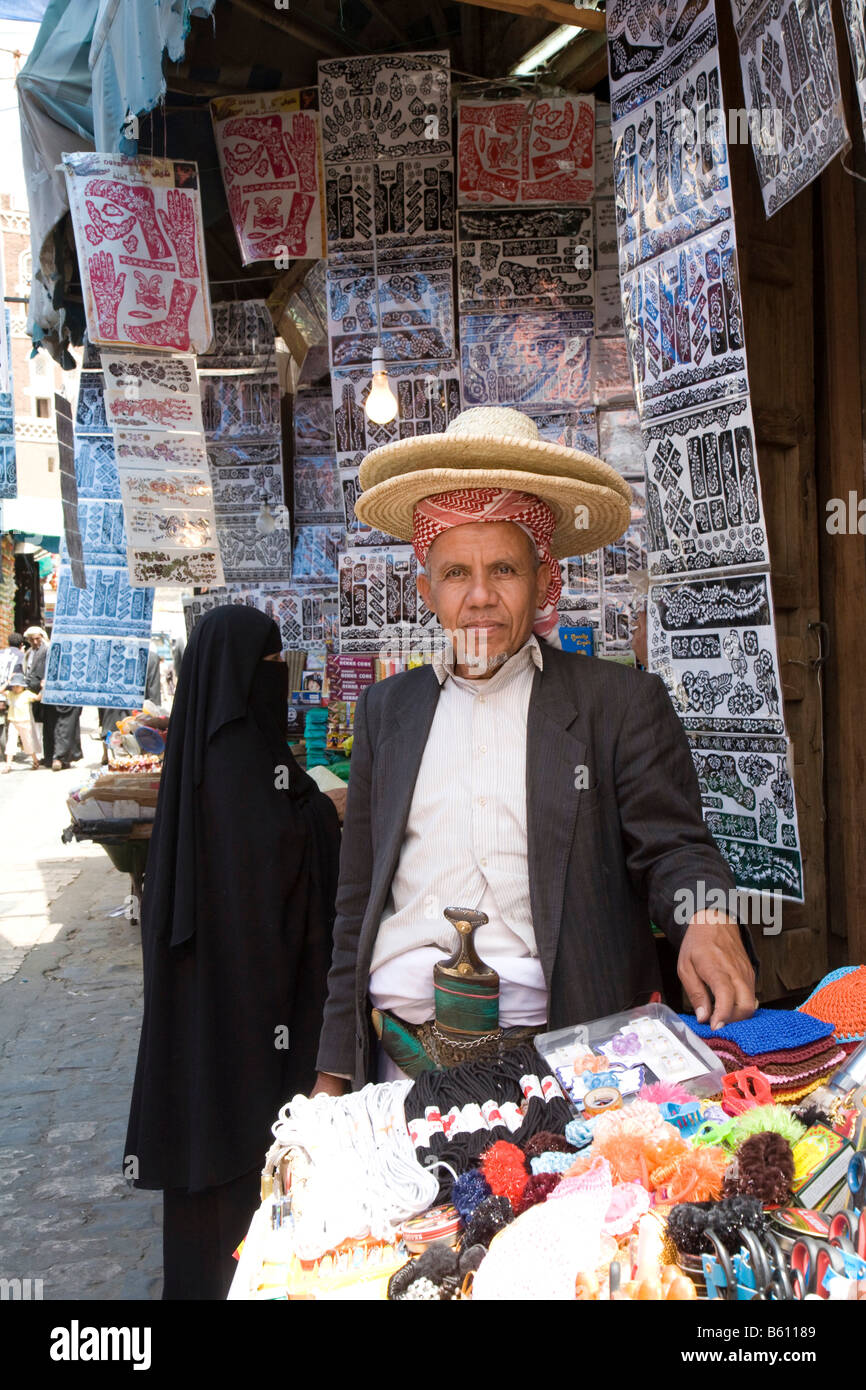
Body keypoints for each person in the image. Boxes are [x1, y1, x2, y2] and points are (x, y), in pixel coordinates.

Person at [313, 407, 758, 1094]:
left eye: (505, 570)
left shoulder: (618, 704)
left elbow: (674, 845)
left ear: (546, 582)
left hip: (567, 1063)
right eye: (457, 573)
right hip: (398, 1067)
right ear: (427, 590)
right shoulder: (386, 713)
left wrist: (706, 915)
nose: (481, 597)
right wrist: (334, 1070)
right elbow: (355, 903)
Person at [125, 605, 342, 1299]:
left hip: (202, 1037)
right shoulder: (262, 780)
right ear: (251, 676)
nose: (279, 679)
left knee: (207, 1194)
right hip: (267, 1041)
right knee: (266, 1177)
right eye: (273, 667)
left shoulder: (195, 771)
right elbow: (295, 873)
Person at [24, 626, 82, 770]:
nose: (35, 642)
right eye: (32, 640)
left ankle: (60, 758)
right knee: (50, 727)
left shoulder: (49, 650)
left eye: (38, 638)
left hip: (64, 694)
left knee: (64, 727)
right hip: (48, 696)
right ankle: (51, 757)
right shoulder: (31, 653)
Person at [2, 672, 40, 771]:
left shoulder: (26, 694)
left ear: (23, 686)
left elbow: (37, 698)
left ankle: (35, 760)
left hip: (24, 722)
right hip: (13, 722)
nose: (15, 688)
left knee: (28, 742)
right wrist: (8, 681)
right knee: (11, 742)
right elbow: (1, 690)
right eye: (13, 686)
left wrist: (43, 689)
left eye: (17, 686)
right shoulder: (10, 694)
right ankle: (8, 765)